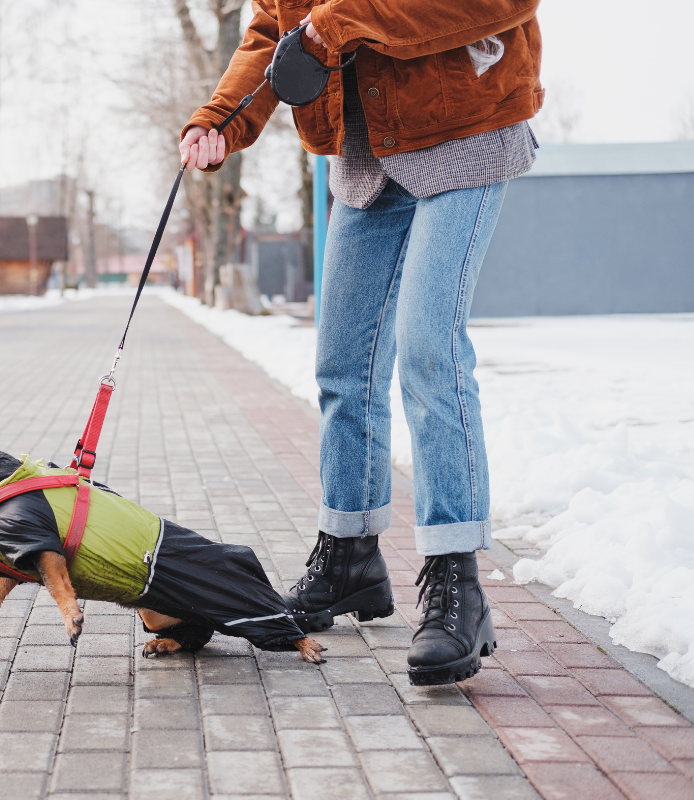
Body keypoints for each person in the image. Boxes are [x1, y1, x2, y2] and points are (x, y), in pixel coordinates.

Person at [179, 0, 542, 685]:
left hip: (463, 126)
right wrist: (224, 116)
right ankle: (348, 555)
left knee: (429, 346)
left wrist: (333, 25)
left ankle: (454, 579)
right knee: (343, 364)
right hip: (364, 149)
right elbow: (272, 29)